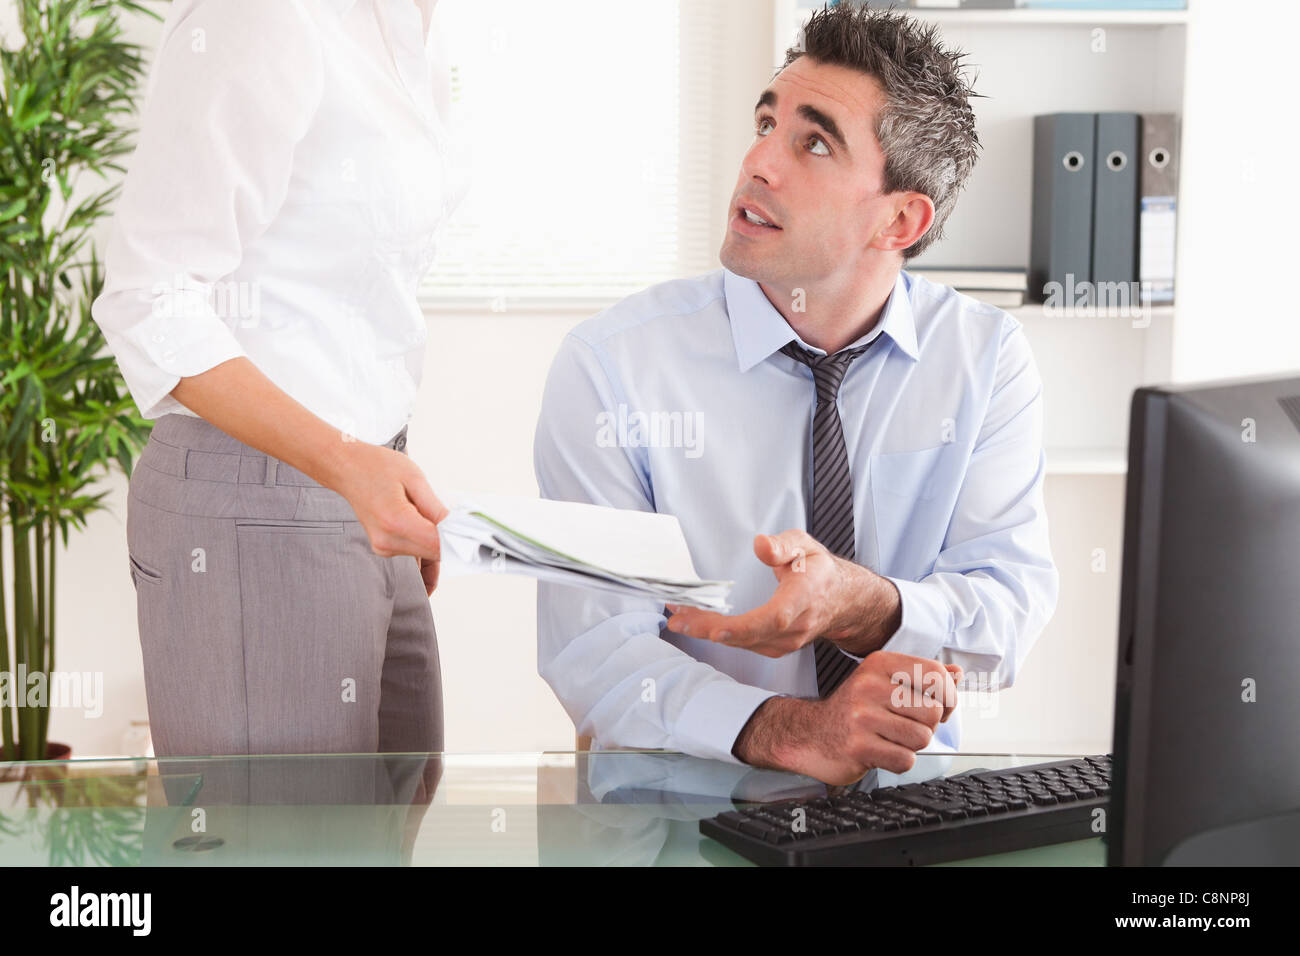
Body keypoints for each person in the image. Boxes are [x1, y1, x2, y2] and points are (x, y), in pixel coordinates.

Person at [534, 3, 1059, 786]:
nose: (759, 163)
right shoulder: (615, 368)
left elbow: (1005, 619)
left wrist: (864, 606)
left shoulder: (982, 360)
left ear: (900, 220)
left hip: (907, 813)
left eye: (813, 142)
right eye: (765, 123)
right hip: (682, 820)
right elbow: (597, 657)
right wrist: (796, 731)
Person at [92, 0, 465, 757]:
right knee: (292, 839)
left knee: (387, 818)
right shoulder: (262, 14)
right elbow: (149, 293)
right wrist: (345, 463)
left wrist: (375, 471)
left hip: (369, 481)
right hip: (258, 499)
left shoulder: (409, 34)